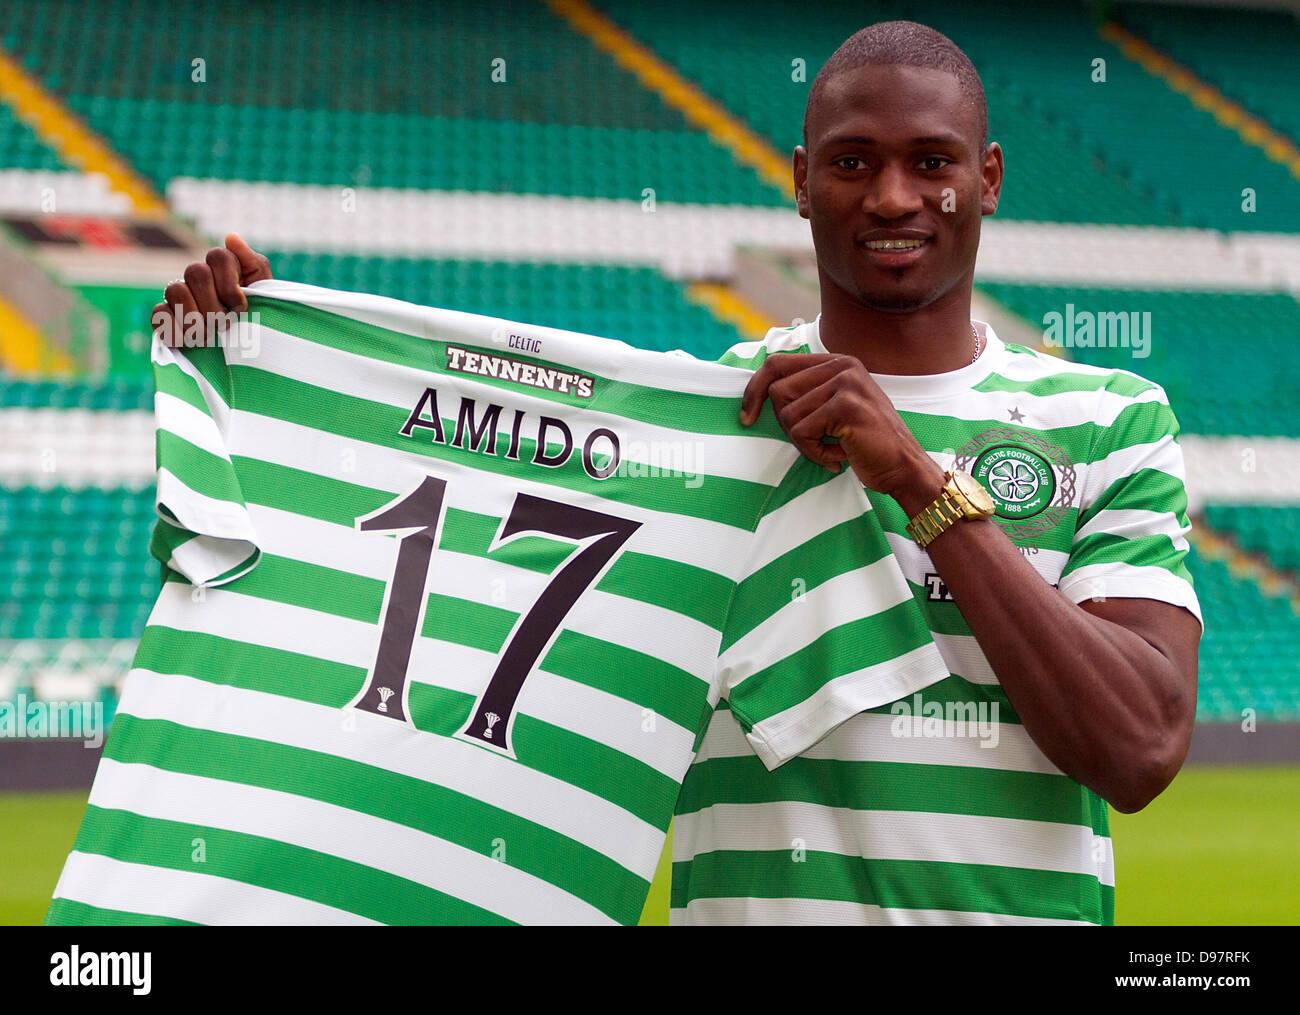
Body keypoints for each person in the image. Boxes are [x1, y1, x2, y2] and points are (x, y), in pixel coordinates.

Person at [153, 20, 1201, 925]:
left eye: (931, 161)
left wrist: (922, 485)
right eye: (851, 161)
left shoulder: (1107, 420)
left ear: (989, 177)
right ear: (799, 180)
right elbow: (460, 602)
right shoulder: (701, 424)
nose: (893, 196)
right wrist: (273, 367)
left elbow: (1137, 747)